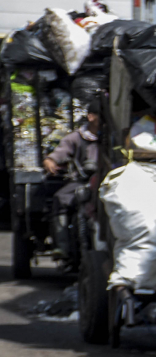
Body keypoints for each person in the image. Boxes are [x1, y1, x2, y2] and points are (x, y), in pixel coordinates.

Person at [42, 103, 101, 253]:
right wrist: (51, 160)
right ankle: (63, 247)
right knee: (60, 198)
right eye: (101, 116)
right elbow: (60, 153)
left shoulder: (109, 136)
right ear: (91, 116)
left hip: (104, 181)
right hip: (81, 182)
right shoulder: (76, 137)